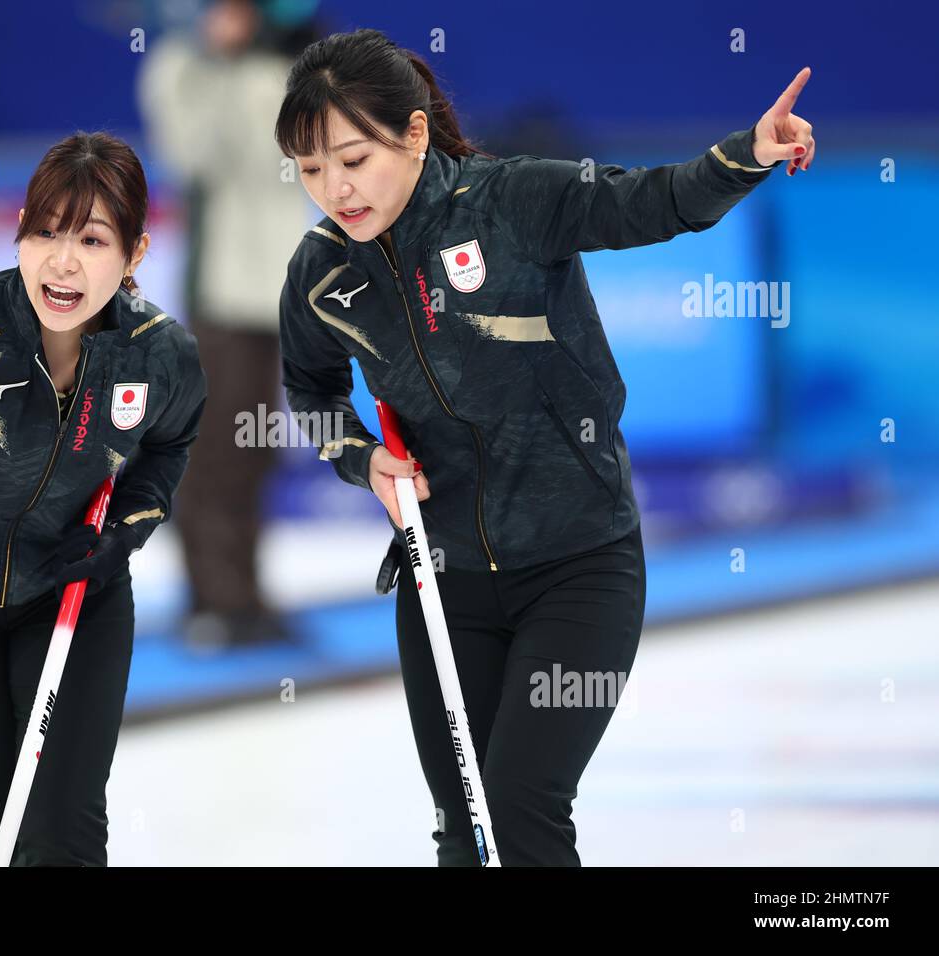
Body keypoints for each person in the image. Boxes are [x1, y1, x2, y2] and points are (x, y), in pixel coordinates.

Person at [275, 29, 813, 865]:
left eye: (354, 158)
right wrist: (361, 458)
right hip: (442, 580)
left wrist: (746, 153)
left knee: (522, 810)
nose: (335, 189)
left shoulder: (513, 200)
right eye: (311, 170)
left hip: (579, 564)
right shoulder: (319, 275)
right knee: (464, 829)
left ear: (414, 133)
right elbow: (309, 392)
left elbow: (654, 202)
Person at [0, 131, 206, 866]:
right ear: (19, 230)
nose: (63, 261)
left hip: (75, 602)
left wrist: (124, 532)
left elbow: (168, 448)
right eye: (46, 232)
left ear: (136, 255)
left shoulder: (161, 356)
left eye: (91, 238)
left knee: (64, 832)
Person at [138, 0, 315, 649]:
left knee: (257, 449)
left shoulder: (288, 66)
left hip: (280, 292)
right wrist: (222, 59)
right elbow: (194, 154)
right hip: (223, 295)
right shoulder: (183, 66)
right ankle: (210, 601)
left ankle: (243, 593)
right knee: (218, 450)